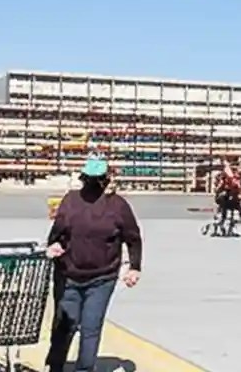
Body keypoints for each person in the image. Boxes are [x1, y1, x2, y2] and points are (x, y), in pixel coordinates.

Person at [45, 155, 143, 372]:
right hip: (68, 275)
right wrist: (54, 246)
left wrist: (134, 267)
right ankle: (55, 366)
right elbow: (57, 233)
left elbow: (133, 237)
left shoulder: (118, 206)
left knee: (91, 326)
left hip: (102, 278)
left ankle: (84, 369)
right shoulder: (71, 200)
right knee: (64, 325)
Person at [215, 159, 241, 227]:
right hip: (226, 194)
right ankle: (222, 217)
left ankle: (238, 217)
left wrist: (239, 193)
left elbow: (238, 186)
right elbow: (221, 185)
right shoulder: (227, 176)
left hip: (233, 195)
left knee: (237, 202)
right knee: (224, 200)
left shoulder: (236, 176)